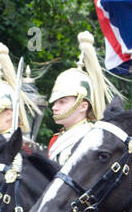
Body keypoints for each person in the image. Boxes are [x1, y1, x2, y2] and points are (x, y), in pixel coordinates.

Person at [47, 31, 114, 165]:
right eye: (55, 102)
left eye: (62, 102)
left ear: (83, 106)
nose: (54, 107)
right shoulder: (56, 139)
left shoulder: (92, 137)